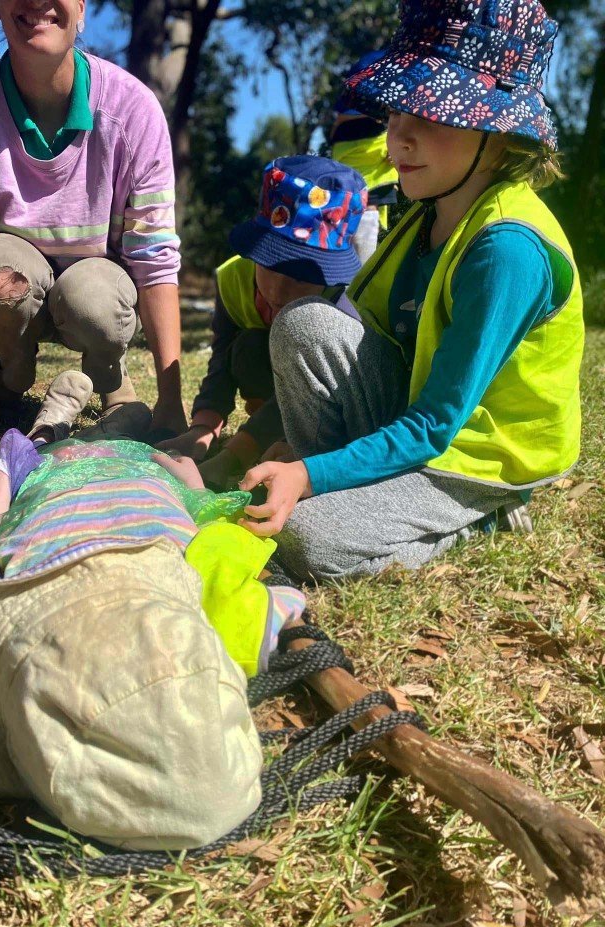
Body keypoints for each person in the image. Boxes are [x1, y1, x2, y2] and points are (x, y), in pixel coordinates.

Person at [239, 0, 585, 582]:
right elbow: (358, 335)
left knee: (307, 540)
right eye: (398, 110)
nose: (397, 136)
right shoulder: (423, 209)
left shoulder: (507, 251)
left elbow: (436, 426)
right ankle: (343, 488)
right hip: (414, 410)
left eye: (431, 114)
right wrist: (273, 450)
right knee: (304, 322)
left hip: (475, 454)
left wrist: (309, 475)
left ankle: (483, 518)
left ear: (499, 134)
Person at [0, 373, 306, 850]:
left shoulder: (225, 619)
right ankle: (100, 422)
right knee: (138, 430)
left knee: (15, 454)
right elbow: (284, 604)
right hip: (142, 473)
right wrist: (190, 480)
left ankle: (53, 424)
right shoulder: (228, 618)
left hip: (44, 476)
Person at [0, 0, 187, 460]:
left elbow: (154, 258)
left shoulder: (133, 110)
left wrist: (172, 405)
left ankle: (108, 373)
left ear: (80, 5)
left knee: (92, 300)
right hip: (16, 278)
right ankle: (13, 368)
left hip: (98, 284)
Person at [160, 156, 367, 491]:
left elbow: (327, 392)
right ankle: (263, 427)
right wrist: (203, 430)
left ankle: (275, 440)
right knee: (246, 349)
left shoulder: (340, 310)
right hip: (271, 383)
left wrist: (234, 455)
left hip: (323, 408)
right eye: (271, 265)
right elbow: (222, 362)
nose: (280, 290)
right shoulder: (234, 279)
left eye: (301, 278)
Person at [330, 51, 399, 263]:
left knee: (350, 217)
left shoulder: (346, 115)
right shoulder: (386, 113)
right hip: (368, 170)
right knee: (365, 215)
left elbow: (338, 124)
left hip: (347, 165)